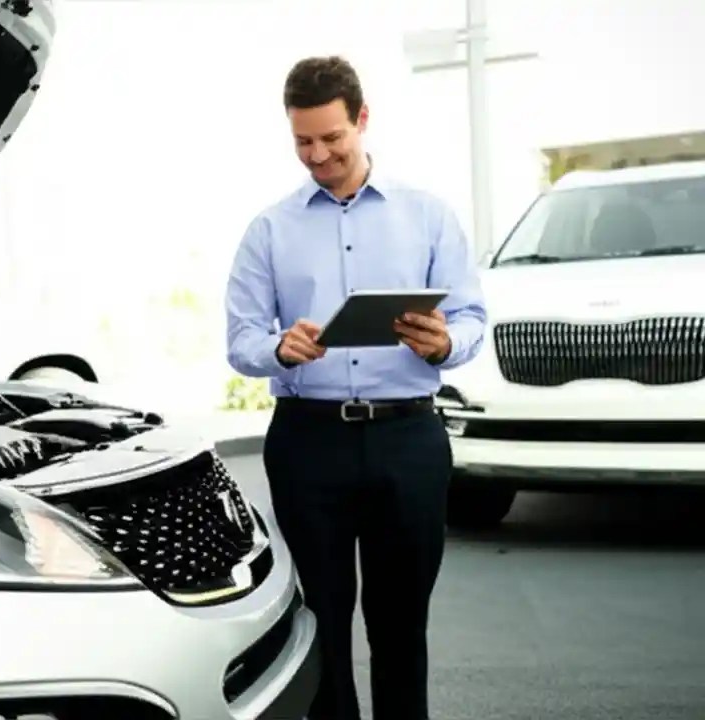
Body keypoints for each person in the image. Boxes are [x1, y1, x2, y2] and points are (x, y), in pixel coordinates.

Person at [224, 56, 487, 720]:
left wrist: (445, 342)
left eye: (331, 138)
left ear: (362, 119)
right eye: (303, 142)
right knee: (324, 625)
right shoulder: (269, 230)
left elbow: (471, 319)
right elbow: (242, 339)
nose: (317, 155)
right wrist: (277, 348)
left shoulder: (428, 216)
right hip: (309, 444)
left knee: (402, 628)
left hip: (409, 438)